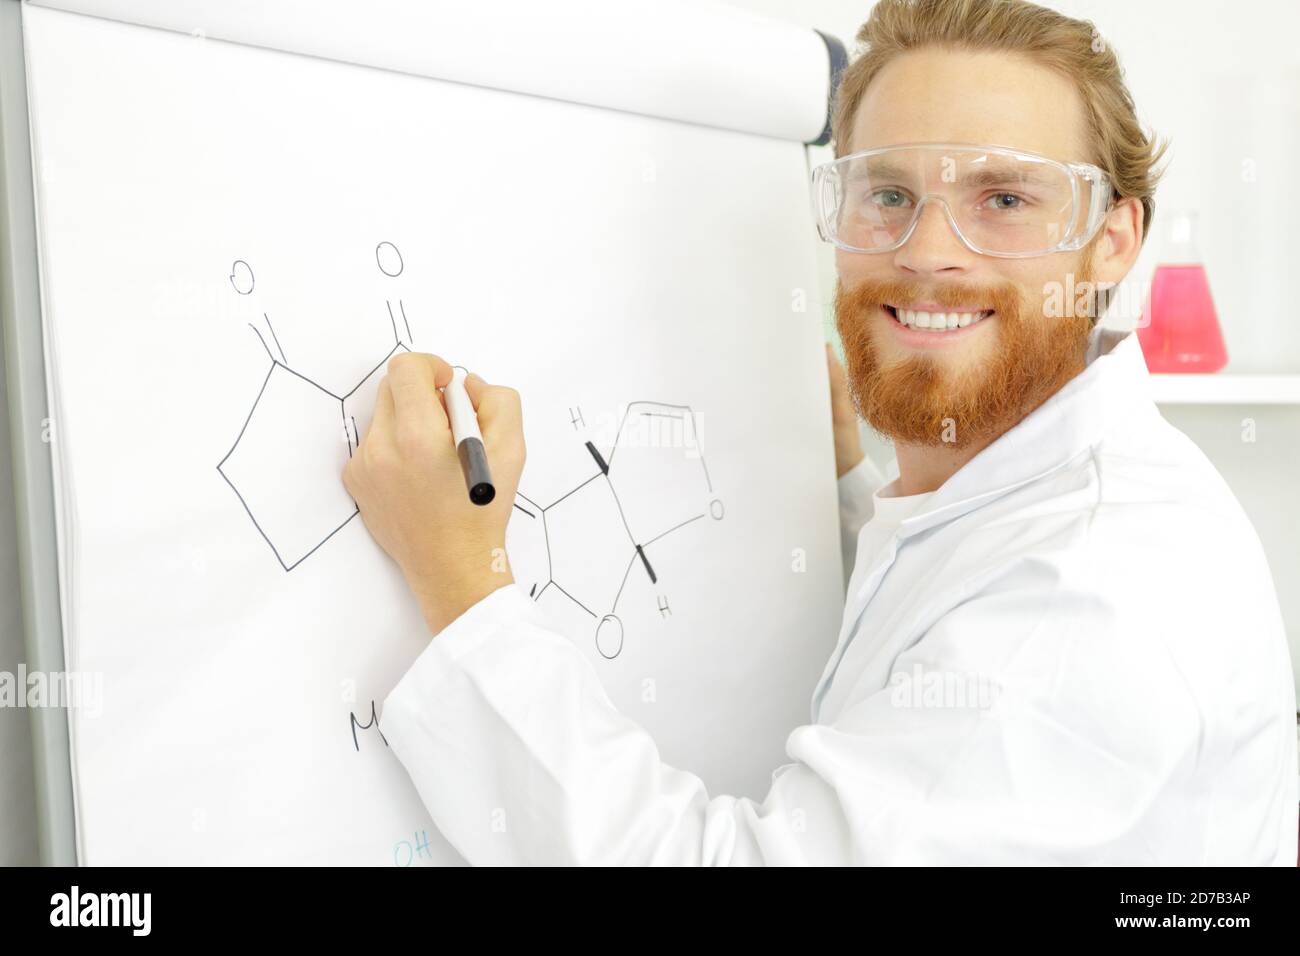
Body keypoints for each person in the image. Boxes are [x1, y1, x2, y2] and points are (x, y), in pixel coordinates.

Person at [341, 0, 1298, 864]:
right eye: (886, 194)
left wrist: (463, 585)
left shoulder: (1083, 609)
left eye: (1003, 200)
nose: (927, 253)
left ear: (1113, 240)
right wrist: (844, 481)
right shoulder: (1034, 496)